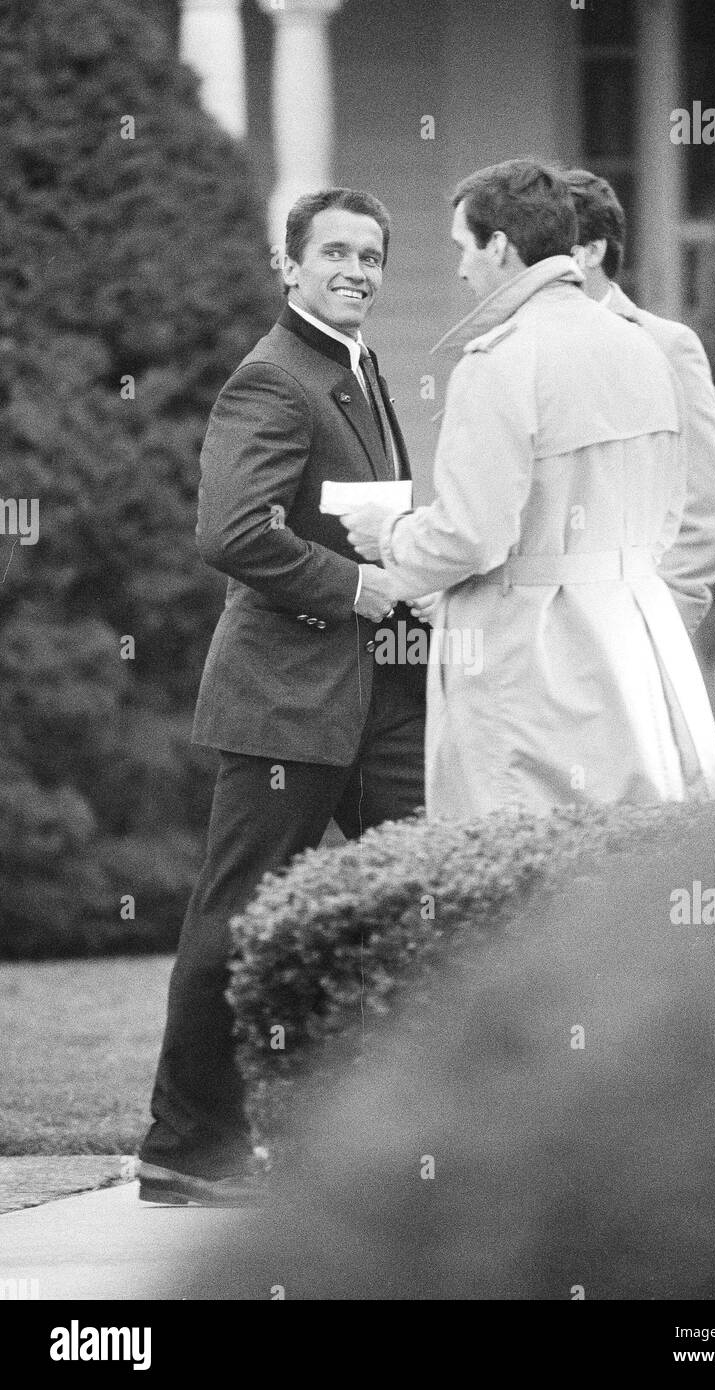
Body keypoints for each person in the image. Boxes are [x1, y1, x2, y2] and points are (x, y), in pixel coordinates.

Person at [138, 188, 427, 1206]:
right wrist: (354, 585)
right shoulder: (271, 378)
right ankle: (185, 1147)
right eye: (337, 253)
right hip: (286, 698)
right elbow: (232, 531)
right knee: (238, 916)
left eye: (372, 256)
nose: (357, 270)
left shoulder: (358, 365)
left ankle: (415, 1126)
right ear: (289, 264)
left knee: (427, 885)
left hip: (383, 690)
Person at [343, 159, 715, 820]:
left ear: (499, 245)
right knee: (625, 875)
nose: (460, 268)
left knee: (521, 891)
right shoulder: (644, 348)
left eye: (464, 248)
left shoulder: (500, 360)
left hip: (529, 663)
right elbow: (673, 509)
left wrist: (390, 534)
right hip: (633, 649)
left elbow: (471, 535)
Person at [564, 169, 715, 635]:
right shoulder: (514, 351)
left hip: (633, 631)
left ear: (593, 251)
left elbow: (705, 504)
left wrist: (661, 621)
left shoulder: (667, 346)